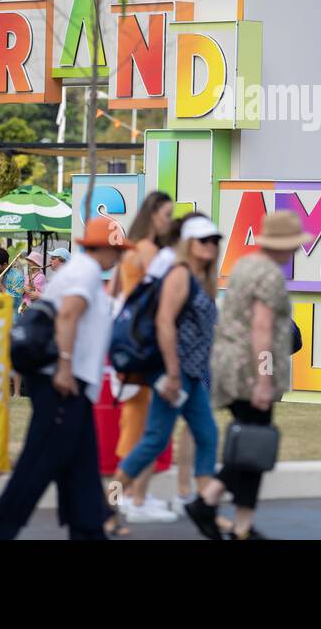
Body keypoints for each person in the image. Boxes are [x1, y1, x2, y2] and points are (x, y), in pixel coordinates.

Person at [0, 216, 131, 540]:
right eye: (118, 250)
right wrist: (64, 365)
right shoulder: (86, 272)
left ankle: (88, 529)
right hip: (62, 384)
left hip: (73, 386)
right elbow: (69, 314)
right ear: (107, 247)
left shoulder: (84, 272)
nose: (120, 257)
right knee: (39, 462)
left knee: (82, 468)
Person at [187, 209, 311, 540]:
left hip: (232, 367)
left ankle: (238, 520)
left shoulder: (245, 267)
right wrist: (265, 377)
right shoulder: (269, 276)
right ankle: (210, 503)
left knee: (251, 443)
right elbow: (262, 328)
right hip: (250, 373)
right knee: (253, 445)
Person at [111, 214, 222, 522]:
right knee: (155, 439)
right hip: (174, 371)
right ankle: (112, 500)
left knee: (207, 433)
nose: (210, 246)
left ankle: (202, 501)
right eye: (203, 240)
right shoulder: (180, 274)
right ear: (189, 243)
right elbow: (163, 322)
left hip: (191, 373)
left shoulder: (200, 278)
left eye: (214, 240)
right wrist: (172, 373)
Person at [110, 190, 177, 527]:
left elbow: (113, 296)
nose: (170, 221)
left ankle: (130, 495)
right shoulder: (150, 252)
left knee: (135, 421)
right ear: (153, 215)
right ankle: (133, 496)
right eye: (167, 214)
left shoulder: (130, 252)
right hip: (146, 343)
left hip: (128, 343)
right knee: (143, 425)